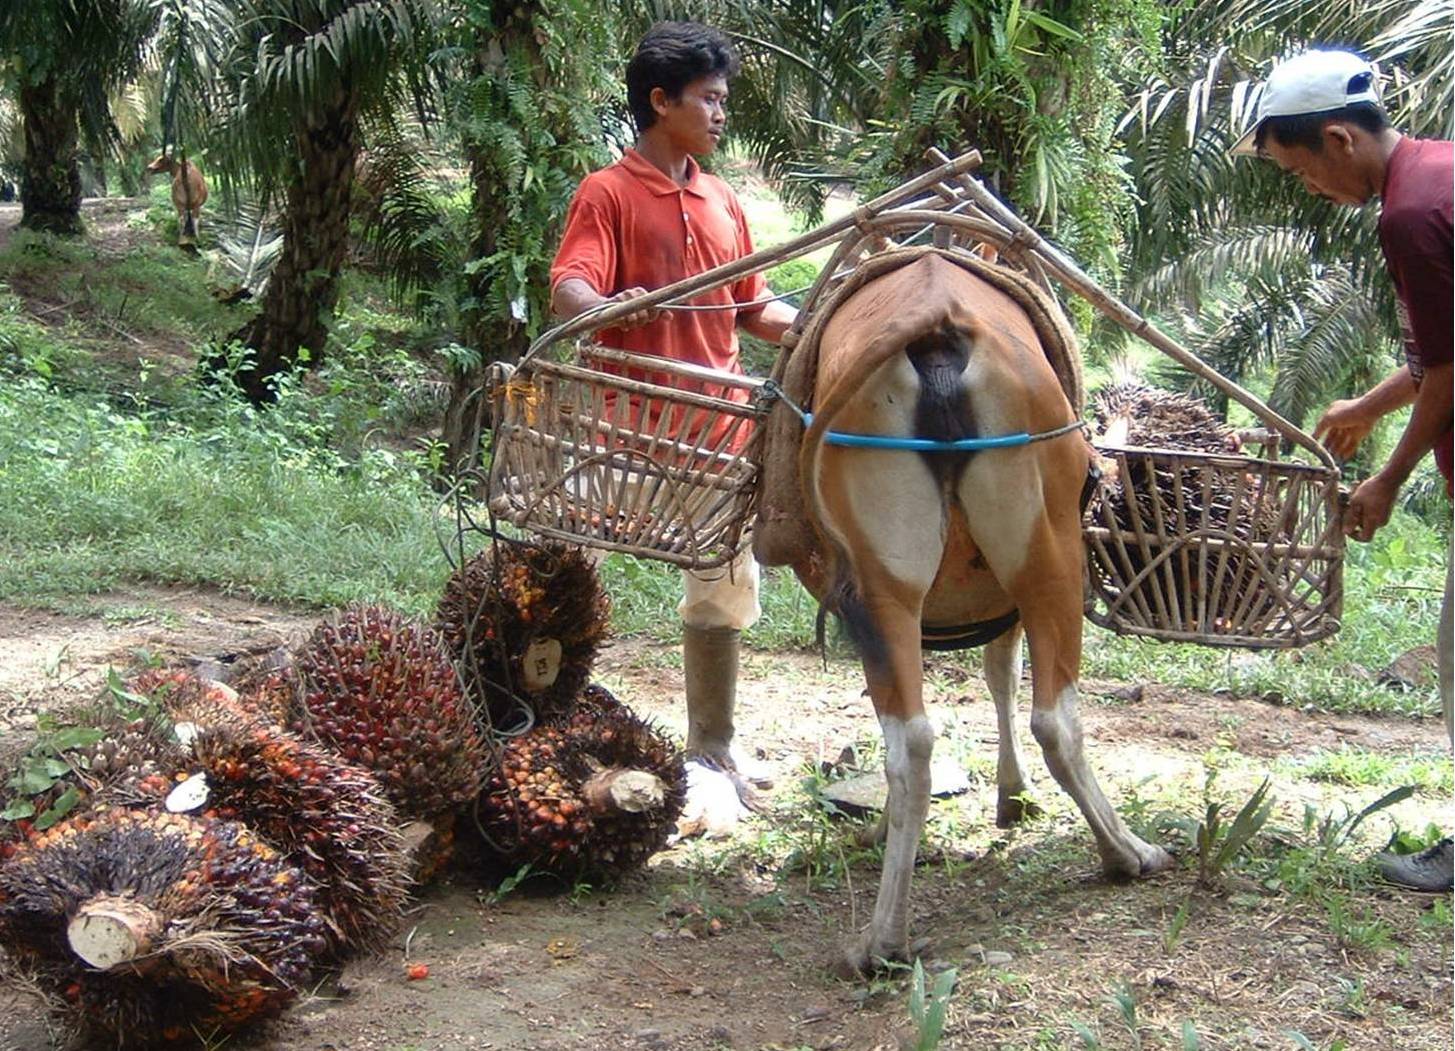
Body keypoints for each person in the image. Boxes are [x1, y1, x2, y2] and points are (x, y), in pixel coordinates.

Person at [549, 22, 797, 828]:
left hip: (716, 429)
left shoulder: (721, 199)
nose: (721, 114)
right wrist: (602, 306)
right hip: (624, 432)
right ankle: (538, 724)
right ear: (660, 101)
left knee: (722, 589)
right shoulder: (607, 192)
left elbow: (753, 307)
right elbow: (570, 286)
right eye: (709, 99)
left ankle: (712, 747)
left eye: (724, 100)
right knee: (560, 574)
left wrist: (819, 326)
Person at [1233, 48, 1453, 891]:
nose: (1310, 189)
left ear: (1336, 139)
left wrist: (1387, 479)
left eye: (1301, 172)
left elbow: (1451, 370)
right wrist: (1369, 402)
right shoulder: (1437, 172)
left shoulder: (1410, 215)